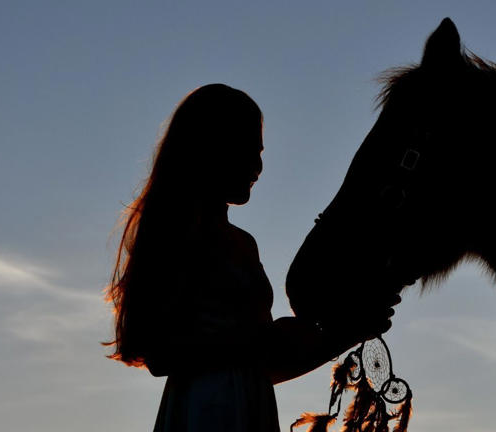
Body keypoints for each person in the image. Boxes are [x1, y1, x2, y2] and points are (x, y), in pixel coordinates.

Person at [103, 84, 401, 431]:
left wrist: (347, 332)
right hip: (203, 411)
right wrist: (261, 339)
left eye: (259, 152)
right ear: (210, 148)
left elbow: (264, 364)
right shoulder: (175, 235)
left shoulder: (244, 244)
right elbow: (158, 351)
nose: (258, 166)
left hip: (249, 406)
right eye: (246, 149)